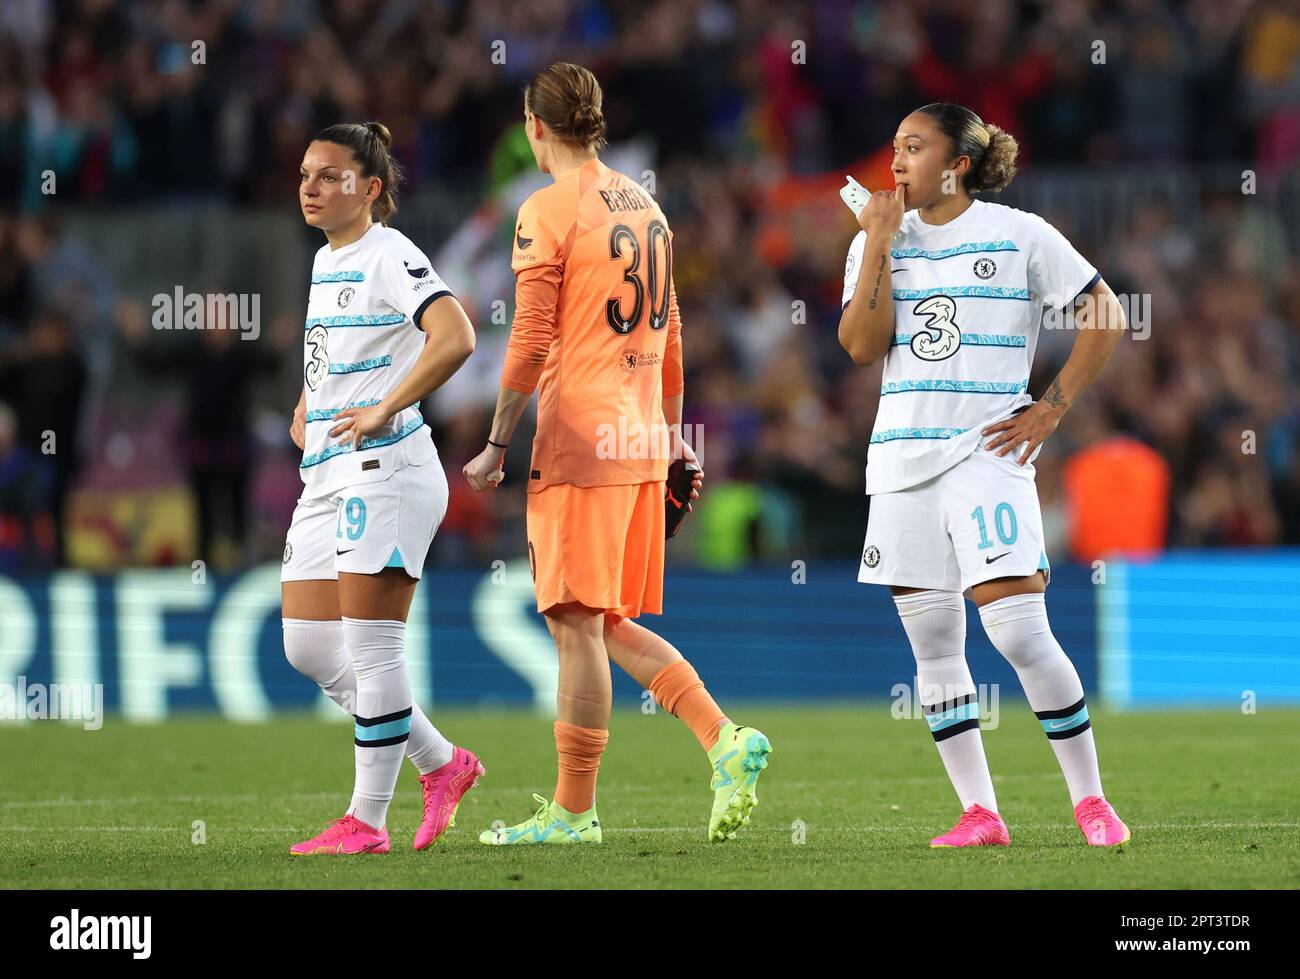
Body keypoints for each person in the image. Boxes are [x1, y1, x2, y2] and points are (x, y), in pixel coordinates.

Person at [463, 63, 771, 845]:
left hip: (580, 434)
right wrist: (669, 436)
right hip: (637, 431)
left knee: (573, 620)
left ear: (536, 126)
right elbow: (671, 338)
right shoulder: (649, 207)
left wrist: (498, 440)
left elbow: (530, 337)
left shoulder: (546, 208)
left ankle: (573, 812)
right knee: (600, 618)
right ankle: (723, 739)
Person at [838, 102, 1131, 847]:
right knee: (934, 647)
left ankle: (1091, 800)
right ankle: (981, 812)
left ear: (957, 163)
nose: (897, 161)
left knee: (1020, 630)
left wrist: (1053, 407)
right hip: (902, 460)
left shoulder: (1018, 233)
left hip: (986, 456)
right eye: (895, 146)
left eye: (914, 146)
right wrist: (874, 246)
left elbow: (1107, 314)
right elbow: (861, 346)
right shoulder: (877, 239)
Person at [282, 121, 482, 855]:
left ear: (369, 189)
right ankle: (442, 763)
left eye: (329, 175)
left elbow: (456, 334)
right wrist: (310, 404)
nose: (311, 186)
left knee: (372, 648)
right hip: (327, 473)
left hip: (388, 469)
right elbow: (337, 353)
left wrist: (388, 404)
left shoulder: (390, 253)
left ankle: (367, 820)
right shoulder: (324, 260)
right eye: (305, 173)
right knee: (308, 645)